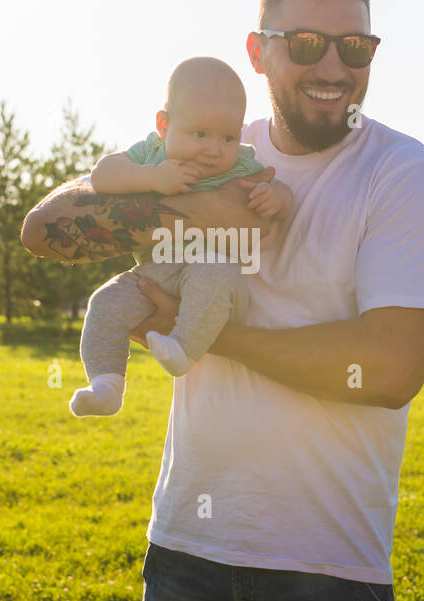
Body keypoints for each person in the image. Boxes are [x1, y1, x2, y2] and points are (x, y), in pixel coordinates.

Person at [21, 0, 424, 601]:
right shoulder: (218, 142)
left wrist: (211, 333)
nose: (333, 67)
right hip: (186, 553)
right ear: (258, 51)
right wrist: (192, 202)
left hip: (328, 575)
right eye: (306, 43)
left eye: (355, 47)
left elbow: (388, 369)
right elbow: (45, 229)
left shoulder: (404, 174)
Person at [69, 56, 293, 417]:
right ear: (164, 125)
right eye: (199, 134)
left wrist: (275, 199)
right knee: (105, 303)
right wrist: (151, 178)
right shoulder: (151, 154)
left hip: (218, 274)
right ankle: (106, 384)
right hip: (154, 272)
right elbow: (103, 175)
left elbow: (282, 192)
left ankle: (182, 349)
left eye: (228, 137)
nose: (214, 150)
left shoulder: (241, 164)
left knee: (213, 272)